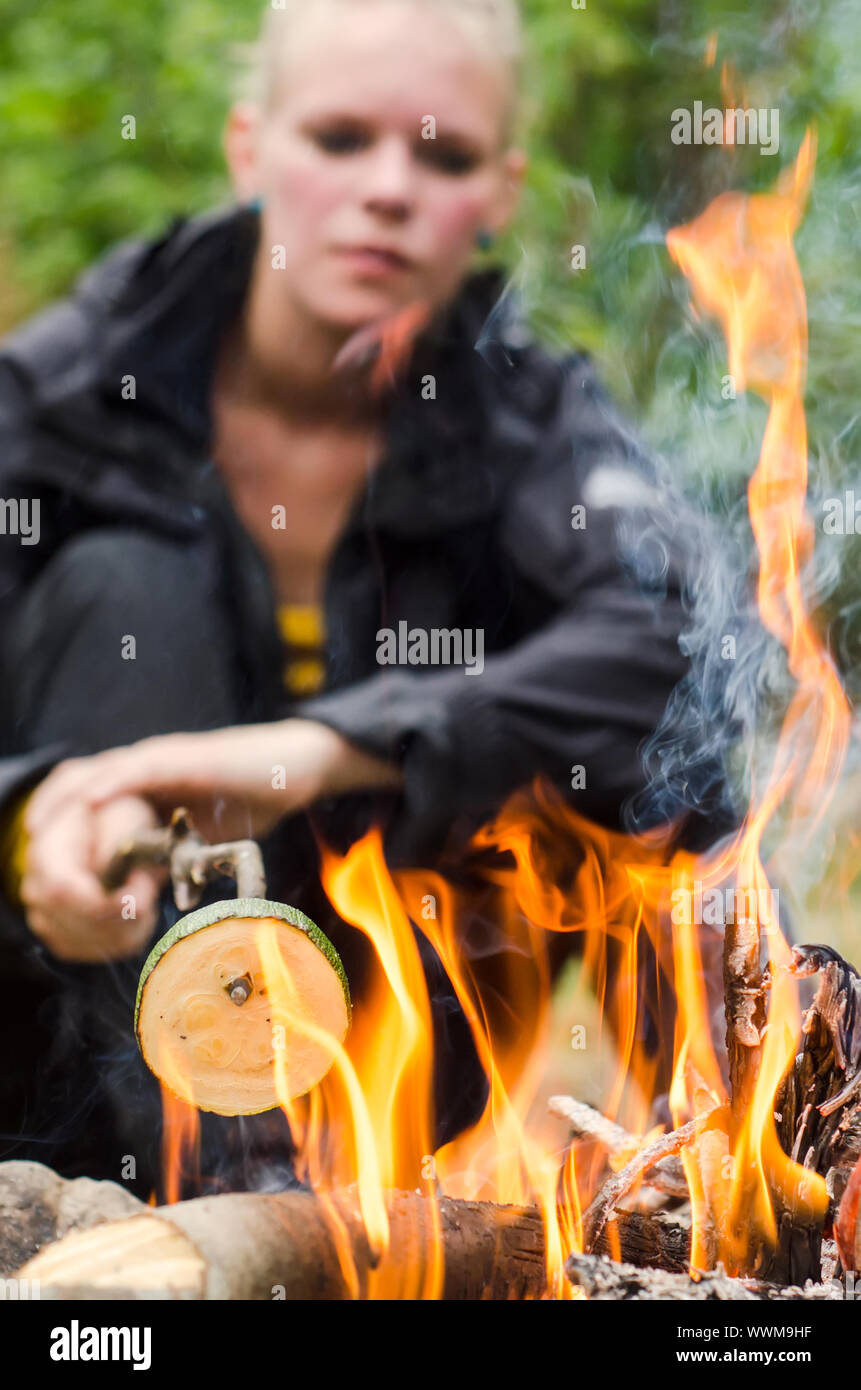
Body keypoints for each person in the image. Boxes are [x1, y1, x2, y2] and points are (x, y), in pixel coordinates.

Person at [0, 0, 712, 1199]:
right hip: (87, 1080)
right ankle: (176, 1212)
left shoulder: (527, 413)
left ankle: (752, 1184)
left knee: (661, 737)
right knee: (123, 584)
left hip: (403, 1074)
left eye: (443, 155)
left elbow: (681, 640)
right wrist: (29, 829)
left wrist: (323, 749)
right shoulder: (63, 397)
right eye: (339, 138)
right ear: (249, 147)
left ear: (499, 189)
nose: (390, 189)